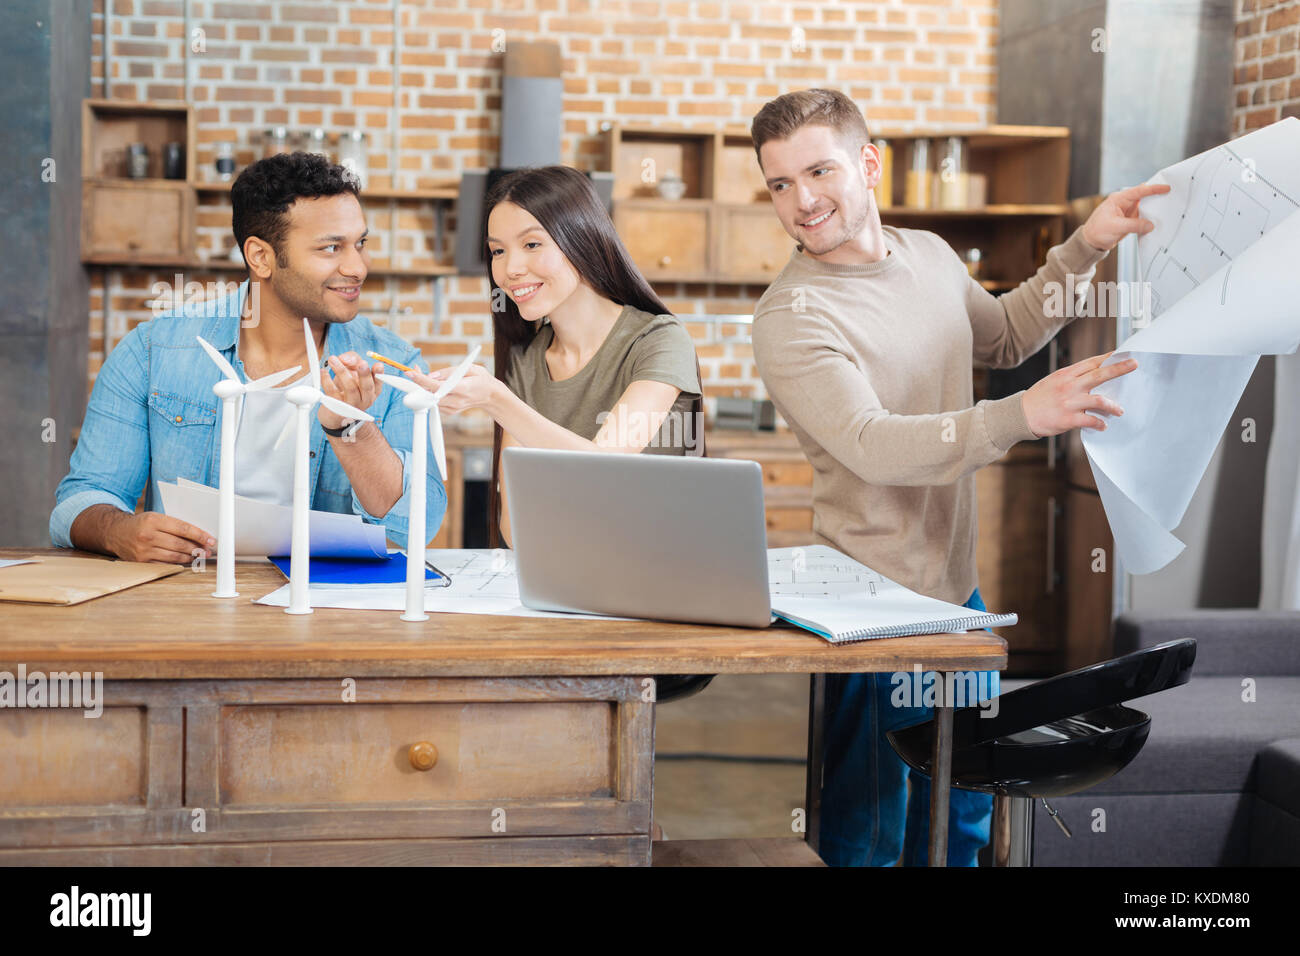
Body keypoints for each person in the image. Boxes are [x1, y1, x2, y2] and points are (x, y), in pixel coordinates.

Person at [748, 88, 1164, 866]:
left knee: (966, 812)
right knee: (868, 830)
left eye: (818, 171)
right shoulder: (792, 315)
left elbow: (1007, 336)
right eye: (779, 184)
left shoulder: (930, 256)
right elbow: (871, 444)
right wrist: (1018, 418)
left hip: (956, 598)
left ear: (868, 164)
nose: (801, 201)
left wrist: (1090, 243)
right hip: (867, 609)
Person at [51, 152, 446, 562]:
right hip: (186, 600)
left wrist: (352, 428)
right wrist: (118, 531)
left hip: (327, 611)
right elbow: (82, 498)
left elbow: (414, 528)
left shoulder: (394, 366)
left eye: (360, 243)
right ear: (261, 257)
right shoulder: (153, 351)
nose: (358, 266)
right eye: (331, 248)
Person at [403, 165, 705, 548]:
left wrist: (495, 399)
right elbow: (514, 530)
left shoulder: (658, 341)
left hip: (657, 574)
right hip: (563, 579)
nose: (510, 269)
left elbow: (606, 467)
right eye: (498, 250)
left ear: (581, 238)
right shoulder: (526, 363)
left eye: (532, 244)